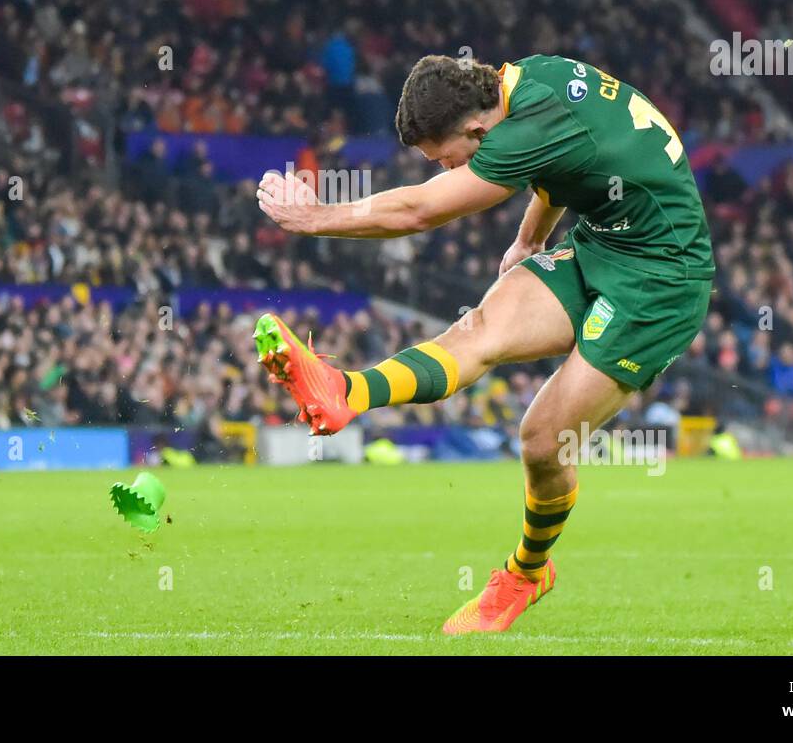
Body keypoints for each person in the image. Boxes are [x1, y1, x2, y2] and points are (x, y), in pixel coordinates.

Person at [253, 53, 713, 634]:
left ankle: (525, 573)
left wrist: (315, 217)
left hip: (662, 279)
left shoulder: (523, 125)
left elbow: (420, 210)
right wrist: (529, 239)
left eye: (444, 159)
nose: (445, 168)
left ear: (476, 129)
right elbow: (564, 162)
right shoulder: (527, 82)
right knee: (477, 333)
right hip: (604, 243)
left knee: (543, 441)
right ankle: (346, 389)